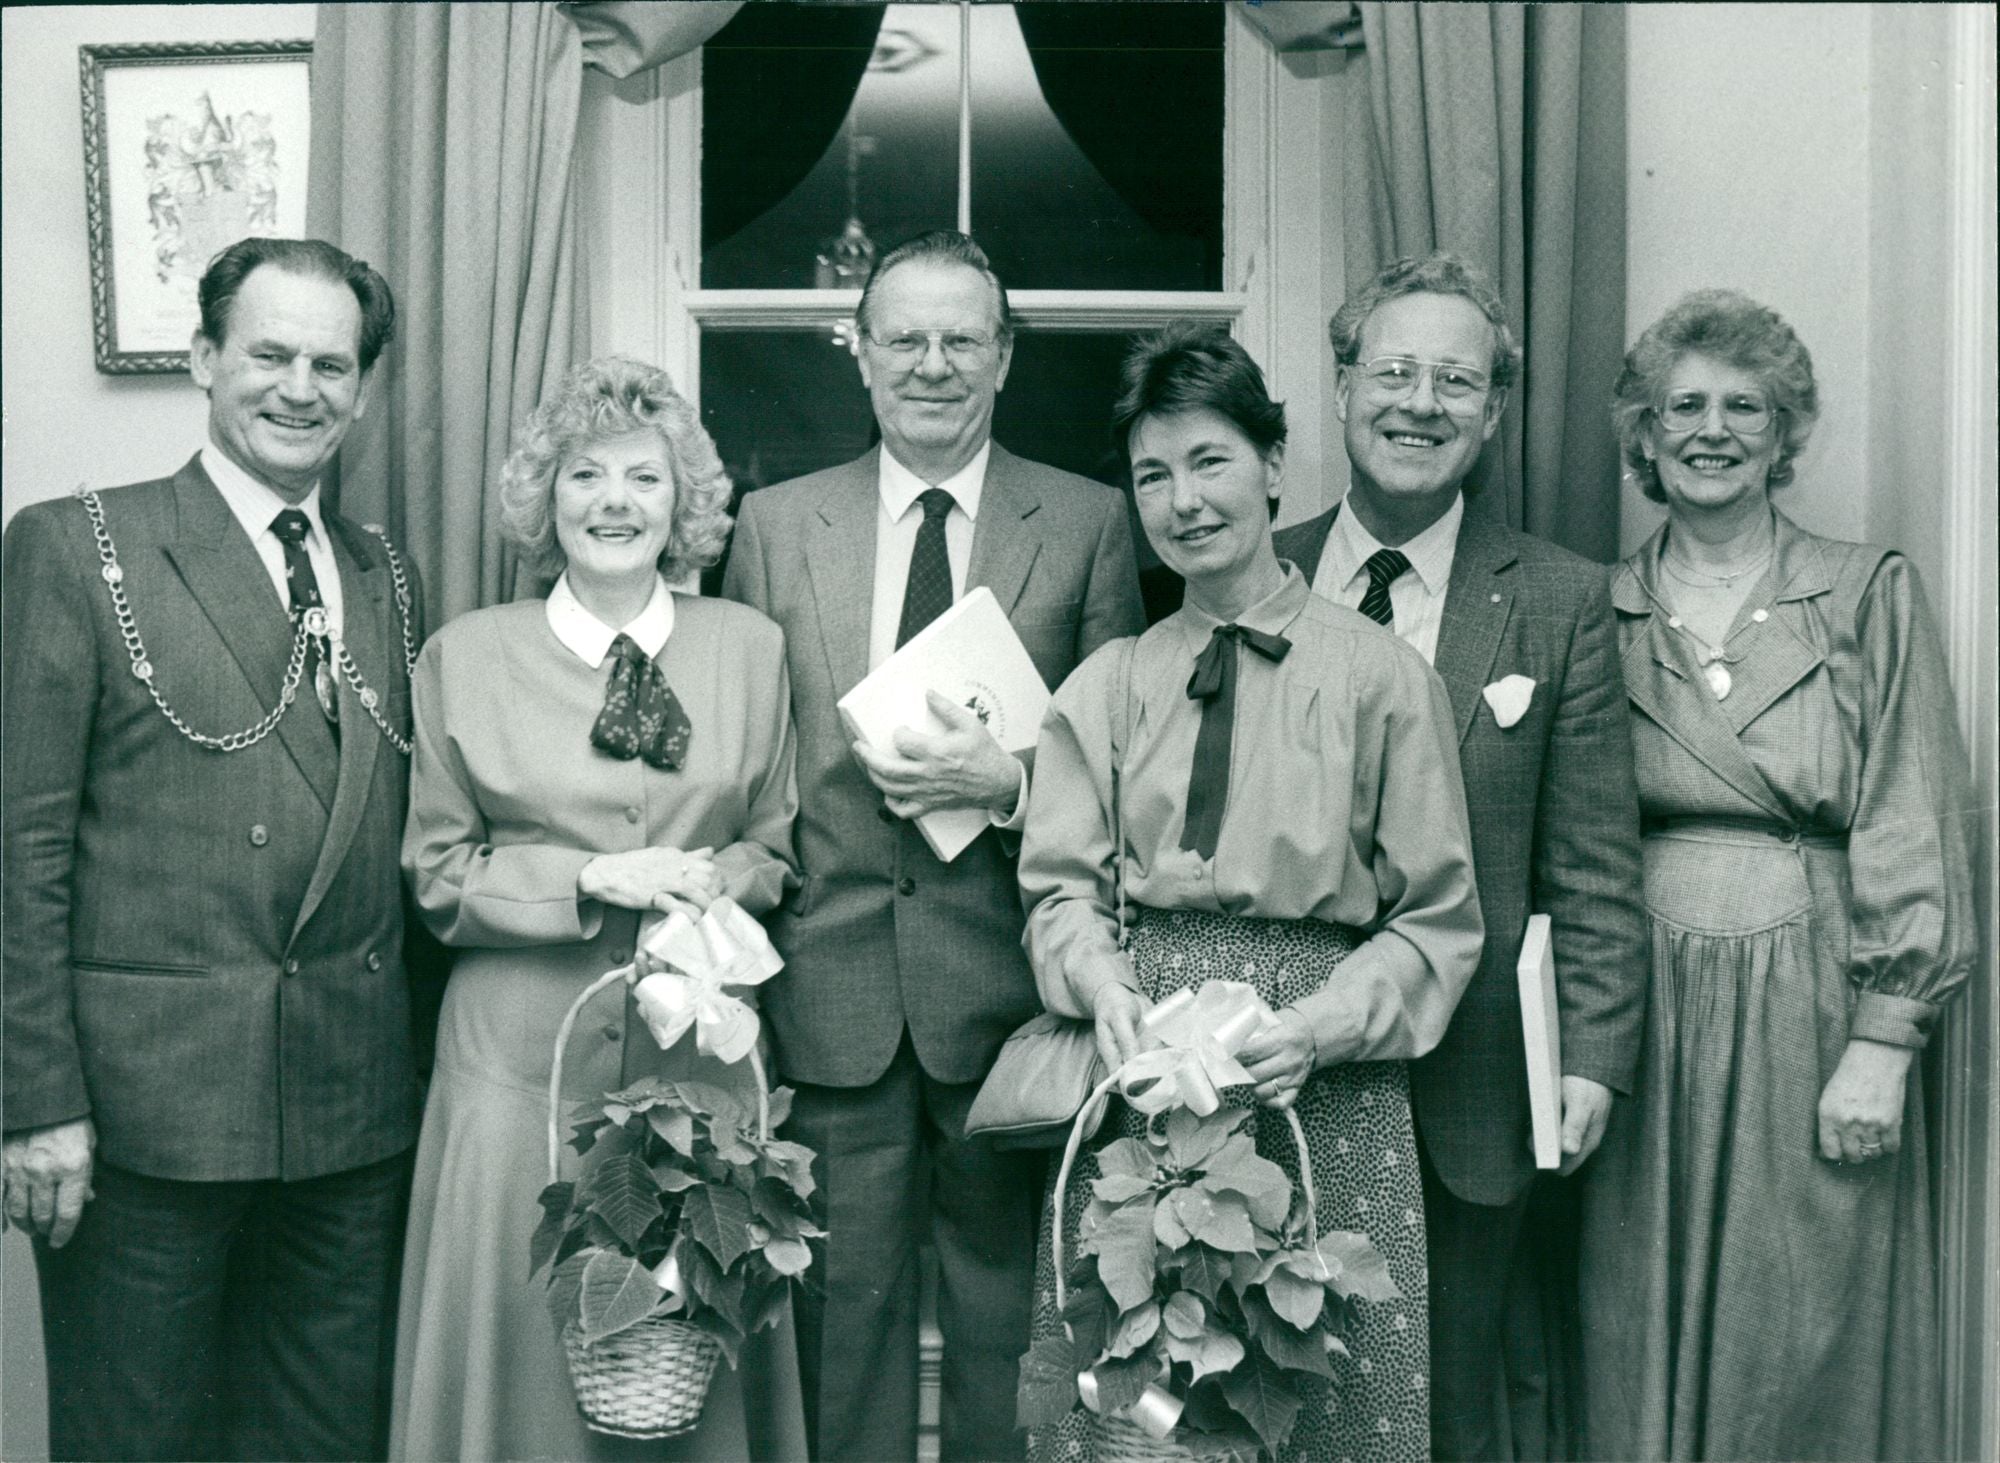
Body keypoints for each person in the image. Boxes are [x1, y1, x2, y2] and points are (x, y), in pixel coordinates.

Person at [1020, 323, 1484, 1462]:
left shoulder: (1381, 676)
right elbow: (1058, 895)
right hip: (1148, 1086)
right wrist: (1101, 984)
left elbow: (1434, 918)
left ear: (1275, 465)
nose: (1182, 499)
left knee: (1324, 1397)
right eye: (1150, 474)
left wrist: (1321, 1026)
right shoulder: (1109, 684)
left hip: (1320, 1085)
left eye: (1209, 459)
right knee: (1137, 1410)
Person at [720, 229, 1144, 1462]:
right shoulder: (771, 523)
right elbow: (751, 761)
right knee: (833, 1333)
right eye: (903, 337)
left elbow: (1119, 775)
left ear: (1003, 357)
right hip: (828, 992)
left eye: (963, 338)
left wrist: (1010, 783)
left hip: (1008, 1003)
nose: (933, 363)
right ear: (859, 354)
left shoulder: (1086, 523)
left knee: (1008, 1331)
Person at [2, 236, 421, 1461]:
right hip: (143, 1123)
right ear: (203, 358)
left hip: (349, 1117)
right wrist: (35, 1104)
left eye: (332, 364)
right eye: (271, 354)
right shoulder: (77, 545)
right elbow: (16, 848)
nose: (302, 388)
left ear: (362, 387)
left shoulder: (382, 571)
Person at [1579, 290, 1978, 1462]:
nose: (1710, 428)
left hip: (1810, 992)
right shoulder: (1595, 607)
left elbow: (1912, 808)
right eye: (1681, 405)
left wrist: (1887, 1036)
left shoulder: (1862, 592)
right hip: (1634, 1005)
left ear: (1781, 431)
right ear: (1641, 436)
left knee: (1800, 1319)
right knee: (1622, 1313)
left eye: (1741, 406)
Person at [390, 356, 807, 1462]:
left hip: (697, 1060)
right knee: (518, 1363)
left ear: (684, 505)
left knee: (687, 1358)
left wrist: (721, 876)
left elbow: (774, 842)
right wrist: (583, 879)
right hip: (512, 1068)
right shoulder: (463, 657)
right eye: (583, 474)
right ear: (545, 496)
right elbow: (435, 871)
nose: (614, 501)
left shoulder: (748, 649)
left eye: (644, 477)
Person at [1271, 252, 1650, 1460]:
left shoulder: (1556, 598)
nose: (1418, 403)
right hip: (1270, 1059)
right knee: (1263, 1392)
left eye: (1454, 380)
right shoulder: (1249, 568)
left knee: (1442, 1407)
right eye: (1392, 371)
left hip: (1471, 1077)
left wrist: (1588, 1056)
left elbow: (1590, 859)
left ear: (1492, 412)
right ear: (1339, 387)